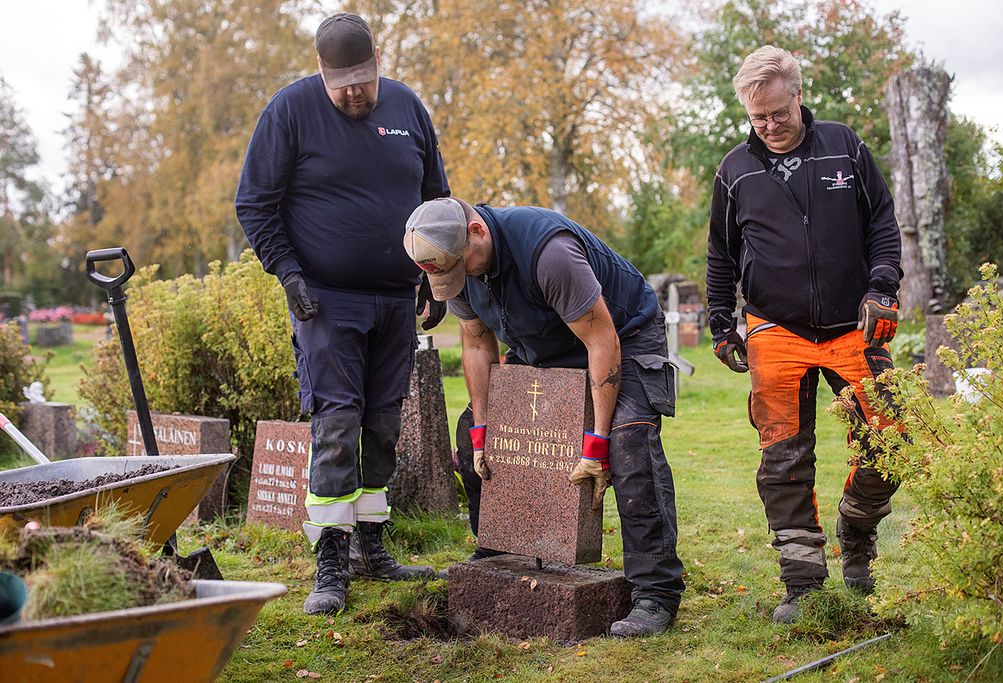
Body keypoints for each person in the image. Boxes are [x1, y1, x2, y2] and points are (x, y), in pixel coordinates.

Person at [235, 13, 450, 615]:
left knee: (384, 425)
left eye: (363, 80)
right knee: (336, 426)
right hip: (326, 299)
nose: (354, 94)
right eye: (342, 85)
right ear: (322, 72)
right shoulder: (290, 111)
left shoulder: (408, 109)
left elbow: (436, 199)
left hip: (395, 299)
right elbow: (253, 203)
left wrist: (436, 273)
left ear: (377, 60)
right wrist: (289, 274)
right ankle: (330, 561)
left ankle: (372, 549)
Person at [403, 197, 686, 637]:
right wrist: (482, 432)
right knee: (471, 434)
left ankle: (655, 592)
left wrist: (595, 445)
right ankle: (497, 549)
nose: (466, 278)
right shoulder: (457, 266)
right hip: (545, 346)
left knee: (628, 443)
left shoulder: (548, 252)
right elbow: (478, 344)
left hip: (621, 337)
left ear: (477, 231)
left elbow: (601, 340)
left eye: (465, 266)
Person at [706, 45, 903, 623]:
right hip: (774, 324)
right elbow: (721, 253)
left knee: (895, 439)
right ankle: (802, 582)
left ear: (798, 95)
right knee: (783, 456)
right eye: (756, 116)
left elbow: (884, 224)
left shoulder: (845, 145)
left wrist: (883, 288)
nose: (768, 125)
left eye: (777, 113)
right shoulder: (735, 170)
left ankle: (857, 527)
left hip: (853, 324)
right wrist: (722, 322)